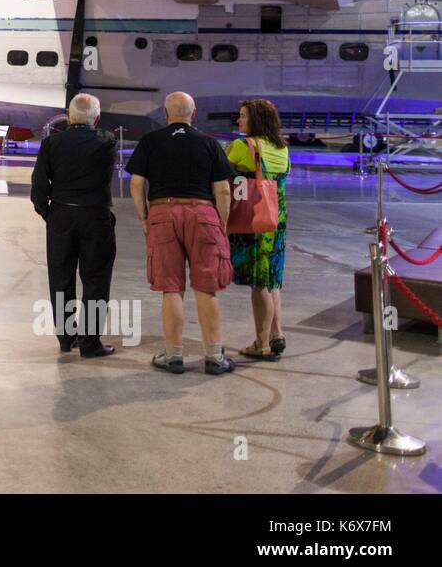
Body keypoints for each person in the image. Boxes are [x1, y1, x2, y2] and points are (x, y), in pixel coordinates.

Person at [126, 92, 235, 375]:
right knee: (206, 286)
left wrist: (144, 217)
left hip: (163, 213)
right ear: (193, 113)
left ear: (165, 113)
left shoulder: (151, 141)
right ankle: (214, 356)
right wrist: (221, 224)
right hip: (202, 214)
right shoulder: (209, 143)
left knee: (171, 287)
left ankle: (173, 355)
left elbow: (137, 184)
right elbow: (222, 190)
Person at [30, 93, 118, 357]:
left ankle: (67, 338)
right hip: (95, 217)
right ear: (98, 118)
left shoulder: (51, 144)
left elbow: (38, 187)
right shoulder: (107, 141)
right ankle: (90, 343)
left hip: (61, 215)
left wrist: (48, 213)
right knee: (95, 280)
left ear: (68, 116)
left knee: (61, 279)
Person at [227, 99, 290, 361]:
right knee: (272, 278)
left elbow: (220, 169)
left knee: (258, 283)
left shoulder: (243, 146)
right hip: (277, 219)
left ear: (256, 120)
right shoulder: (282, 148)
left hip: (253, 219)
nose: (239, 121)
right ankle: (277, 332)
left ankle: (262, 343)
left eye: (243, 116)